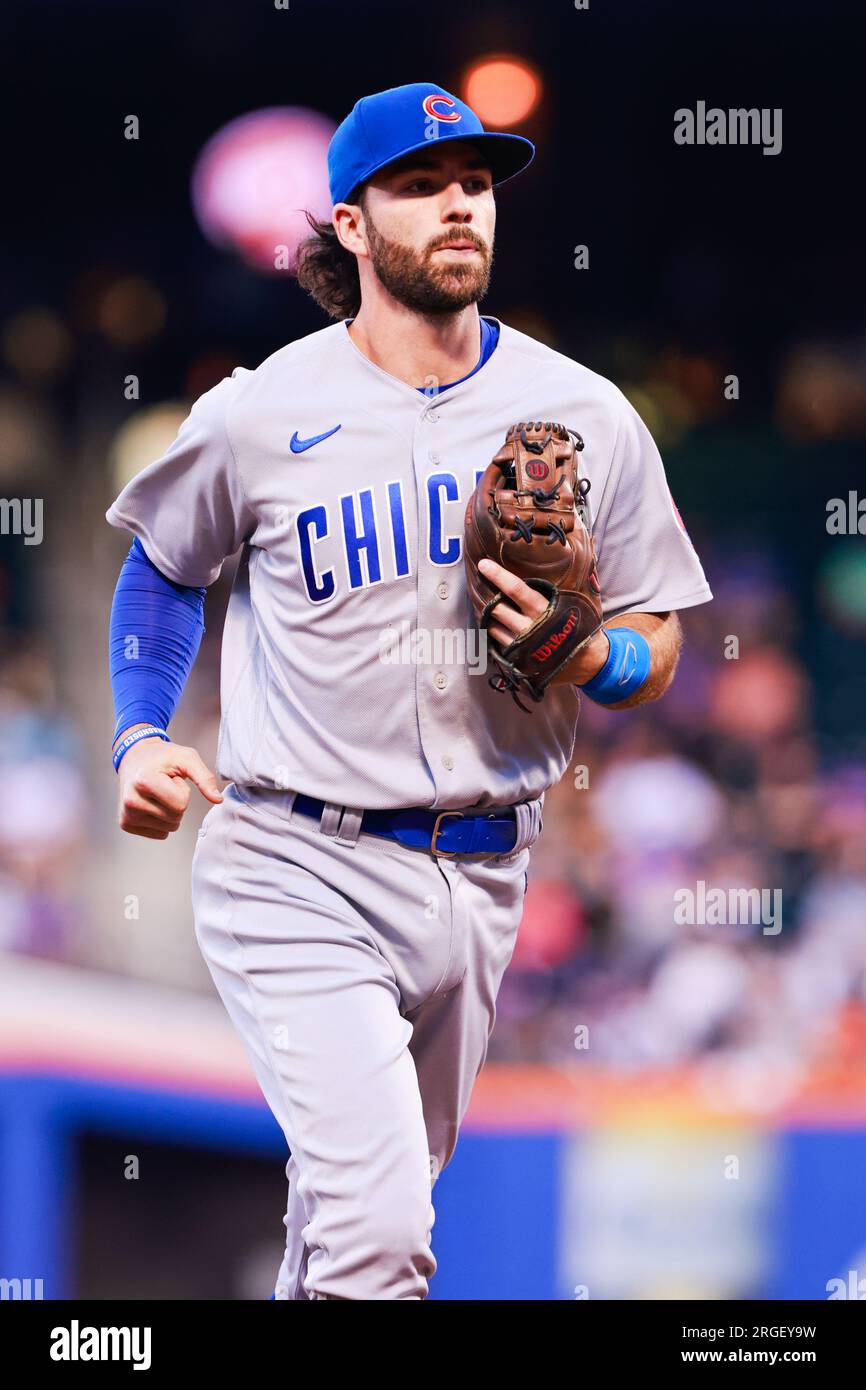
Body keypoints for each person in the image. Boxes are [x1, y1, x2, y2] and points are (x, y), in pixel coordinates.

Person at [105, 81, 712, 1300]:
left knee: (345, 1236)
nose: (458, 208)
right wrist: (135, 735)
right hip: (296, 860)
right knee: (381, 1230)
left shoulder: (582, 413)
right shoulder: (261, 410)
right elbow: (162, 569)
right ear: (345, 221)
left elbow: (656, 637)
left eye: (477, 186)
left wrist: (598, 656)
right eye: (422, 185)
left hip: (485, 875)